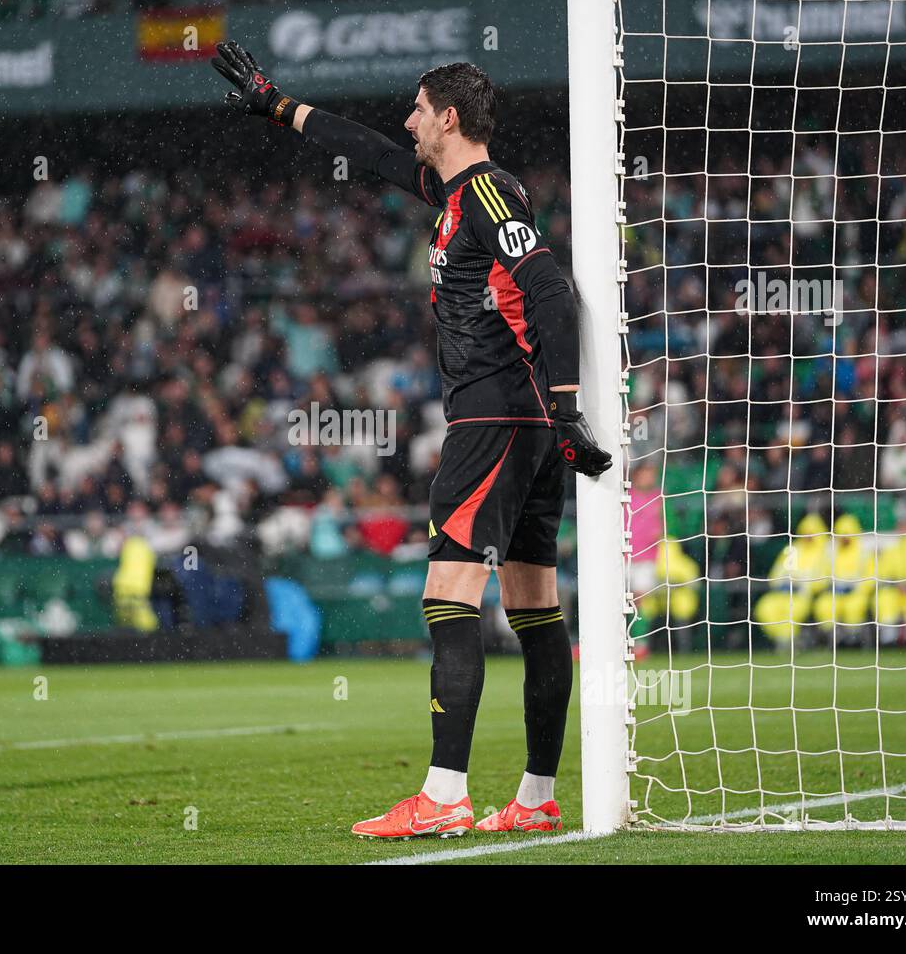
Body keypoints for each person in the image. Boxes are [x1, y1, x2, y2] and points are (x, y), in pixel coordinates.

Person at [213, 42, 613, 838]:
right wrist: (280, 105)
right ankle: (535, 799)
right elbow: (374, 155)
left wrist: (569, 407)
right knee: (533, 605)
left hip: (494, 418)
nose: (409, 120)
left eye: (419, 108)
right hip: (522, 425)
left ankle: (445, 794)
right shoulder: (461, 194)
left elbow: (552, 293)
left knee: (447, 598)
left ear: (450, 117)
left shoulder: (492, 196)